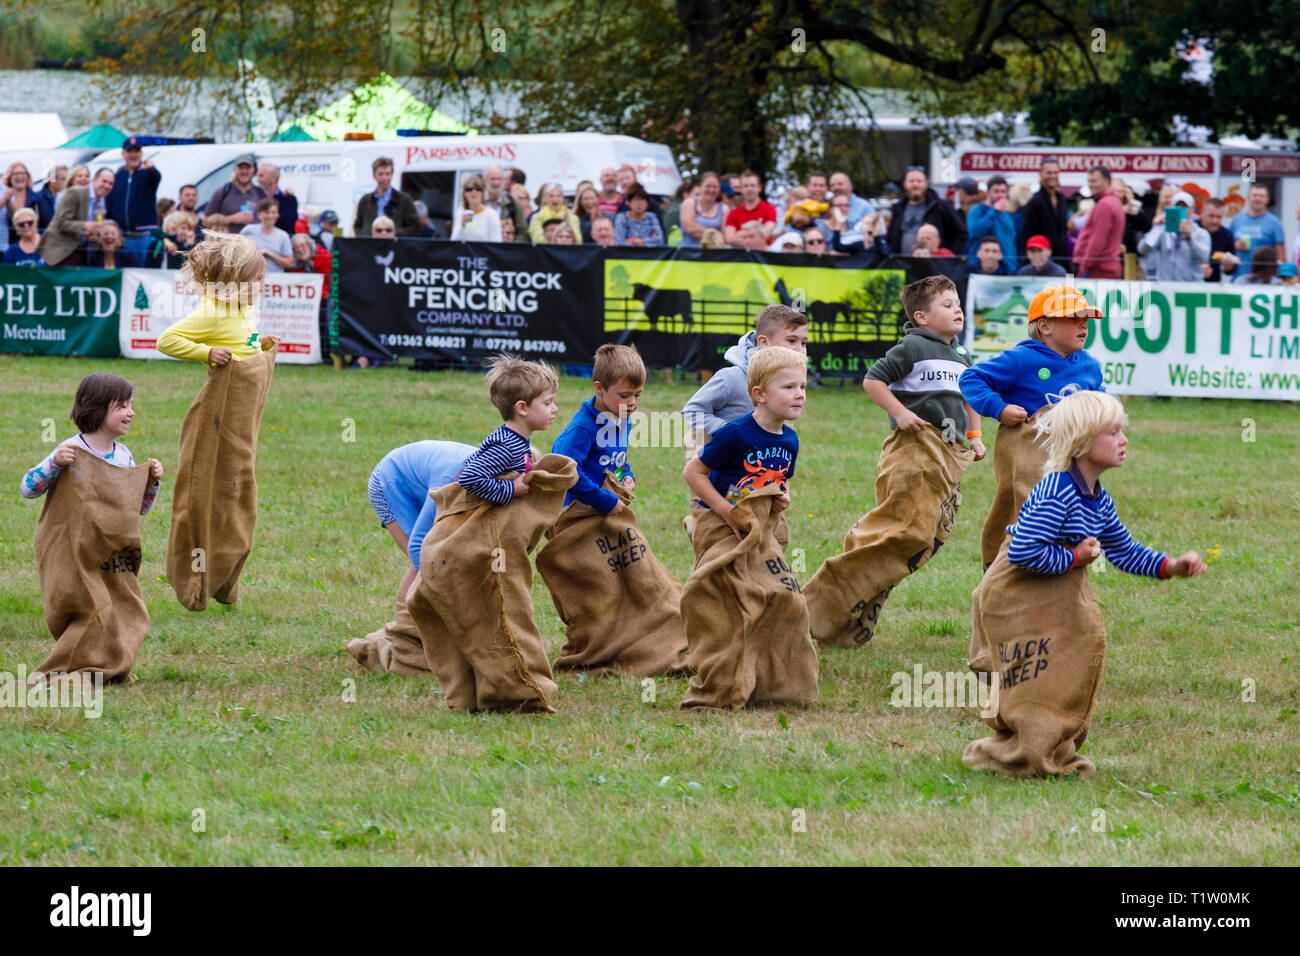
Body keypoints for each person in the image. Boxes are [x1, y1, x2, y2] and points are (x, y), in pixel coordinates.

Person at [963, 390, 1206, 778]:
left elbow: (1123, 550)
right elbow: (1025, 551)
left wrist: (1171, 566)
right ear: (1081, 442)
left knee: (1063, 671)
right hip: (1016, 592)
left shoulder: (1097, 498)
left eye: (1122, 431)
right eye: (1113, 433)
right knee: (1034, 680)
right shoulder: (1056, 492)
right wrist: (1074, 558)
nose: (1124, 440)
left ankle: (1046, 747)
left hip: (1051, 592)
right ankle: (1017, 752)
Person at [801, 275, 985, 646]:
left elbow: (971, 397)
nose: (957, 309)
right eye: (946, 305)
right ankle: (819, 599)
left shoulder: (963, 356)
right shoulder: (913, 347)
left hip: (948, 453)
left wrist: (975, 435)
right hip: (914, 447)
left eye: (958, 303)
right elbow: (873, 380)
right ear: (921, 317)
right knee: (906, 530)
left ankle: (848, 613)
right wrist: (900, 413)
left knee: (922, 537)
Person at [960, 284, 1104, 569]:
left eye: (1085, 319)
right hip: (1025, 458)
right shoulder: (1020, 359)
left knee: (1070, 513)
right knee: (1021, 508)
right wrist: (999, 408)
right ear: (1044, 326)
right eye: (1073, 318)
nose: (1083, 325)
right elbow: (971, 379)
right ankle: (1004, 566)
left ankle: (1061, 564)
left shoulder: (1090, 366)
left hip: (1071, 458)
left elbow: (1100, 403)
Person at [683, 344, 805, 543]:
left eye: (802, 386)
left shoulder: (790, 439)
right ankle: (695, 524)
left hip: (762, 521)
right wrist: (726, 511)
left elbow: (782, 478)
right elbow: (692, 472)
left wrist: (784, 497)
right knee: (716, 573)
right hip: (721, 522)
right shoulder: (735, 433)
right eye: (789, 387)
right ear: (760, 394)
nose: (800, 394)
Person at [681, 304, 808, 463]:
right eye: (791, 340)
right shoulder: (731, 378)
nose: (800, 349)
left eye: (804, 343)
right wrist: (729, 431)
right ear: (763, 342)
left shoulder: (788, 381)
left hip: (752, 465)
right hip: (716, 465)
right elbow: (692, 410)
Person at [22, 372, 162, 513]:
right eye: (123, 406)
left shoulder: (123, 457)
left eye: (131, 406)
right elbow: (28, 490)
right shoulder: (71, 451)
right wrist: (55, 464)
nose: (132, 413)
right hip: (72, 533)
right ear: (98, 407)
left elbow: (139, 508)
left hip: (110, 534)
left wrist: (151, 481)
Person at [365, 440, 477, 612]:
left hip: (419, 482)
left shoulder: (491, 469)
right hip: (386, 482)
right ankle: (403, 629)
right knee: (424, 561)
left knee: (445, 561)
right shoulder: (449, 483)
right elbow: (417, 546)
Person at [551, 343, 644, 520]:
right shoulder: (584, 428)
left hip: (601, 509)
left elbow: (618, 457)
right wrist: (603, 500)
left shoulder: (623, 417)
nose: (632, 402)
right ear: (599, 388)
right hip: (573, 513)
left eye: (637, 394)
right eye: (625, 395)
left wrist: (627, 475)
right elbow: (567, 471)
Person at [457, 355, 558, 506]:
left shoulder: (517, 440)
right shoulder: (506, 446)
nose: (555, 409)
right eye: (547, 403)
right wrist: (512, 489)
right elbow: (470, 478)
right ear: (522, 408)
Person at [157, 232, 266, 364]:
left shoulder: (243, 306)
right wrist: (208, 353)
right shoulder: (213, 312)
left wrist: (259, 342)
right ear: (237, 280)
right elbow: (165, 341)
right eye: (258, 279)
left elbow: (240, 338)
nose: (262, 288)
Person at [37, 167, 115, 267]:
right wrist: (84, 225)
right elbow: (60, 223)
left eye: (110, 184)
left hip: (81, 253)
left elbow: (94, 226)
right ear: (94, 179)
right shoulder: (75, 193)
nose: (107, 186)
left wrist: (92, 234)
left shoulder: (102, 201)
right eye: (104, 181)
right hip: (60, 253)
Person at [886, 166, 967, 257]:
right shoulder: (898, 208)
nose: (915, 184)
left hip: (933, 267)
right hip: (901, 265)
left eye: (919, 181)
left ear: (927, 183)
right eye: (911, 181)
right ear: (904, 184)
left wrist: (948, 259)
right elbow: (890, 238)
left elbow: (961, 233)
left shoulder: (940, 206)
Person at [1137, 190, 1210, 282]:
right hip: (1167, 288)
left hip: (1191, 289)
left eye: (1184, 207)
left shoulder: (1200, 233)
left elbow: (1203, 258)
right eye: (1177, 206)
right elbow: (1143, 249)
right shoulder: (1162, 230)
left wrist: (1189, 238)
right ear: (1171, 207)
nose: (1180, 210)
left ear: (1192, 209)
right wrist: (1157, 228)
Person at [1072, 165, 1125, 279]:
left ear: (1106, 181)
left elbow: (1097, 241)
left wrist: (1084, 267)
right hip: (1106, 268)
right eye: (1089, 181)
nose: (1090, 185)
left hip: (1099, 270)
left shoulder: (1104, 205)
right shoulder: (1113, 201)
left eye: (1094, 181)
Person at [353, 156, 420, 237]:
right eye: (380, 174)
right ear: (374, 176)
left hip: (395, 247)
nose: (384, 178)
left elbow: (415, 227)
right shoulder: (365, 200)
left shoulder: (404, 200)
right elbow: (357, 226)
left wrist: (393, 233)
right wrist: (368, 235)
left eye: (387, 174)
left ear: (392, 175)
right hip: (370, 246)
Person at [1018, 158, 1068, 262]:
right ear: (1040, 174)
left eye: (1055, 172)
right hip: (1042, 262)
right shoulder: (1034, 202)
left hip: (1063, 259)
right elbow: (1026, 236)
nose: (1053, 176)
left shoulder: (1062, 199)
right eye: (1049, 173)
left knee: (1070, 278)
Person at [966, 175, 1019, 272]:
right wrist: (993, 211)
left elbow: (1010, 241)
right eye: (996, 191)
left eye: (1003, 192)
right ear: (988, 192)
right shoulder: (977, 210)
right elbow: (975, 232)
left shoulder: (1006, 214)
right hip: (981, 268)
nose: (1000, 195)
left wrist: (1013, 264)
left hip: (1005, 268)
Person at [202, 153, 267, 229]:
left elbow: (272, 222)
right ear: (234, 169)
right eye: (241, 168)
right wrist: (232, 219)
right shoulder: (223, 192)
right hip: (228, 240)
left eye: (247, 168)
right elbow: (205, 222)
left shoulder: (262, 194)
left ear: (254, 169)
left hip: (254, 240)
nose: (244, 172)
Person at [1228, 184, 1286, 265]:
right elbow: (1226, 248)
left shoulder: (1275, 222)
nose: (1258, 199)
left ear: (1267, 200)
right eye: (1255, 195)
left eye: (1261, 196)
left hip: (1264, 275)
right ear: (1248, 198)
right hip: (1239, 275)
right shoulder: (1237, 220)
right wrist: (1235, 246)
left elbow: (1281, 258)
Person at [722, 169, 777, 247]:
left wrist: (740, 234)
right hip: (740, 256)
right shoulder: (733, 213)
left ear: (759, 187)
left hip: (762, 257)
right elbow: (729, 238)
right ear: (741, 189)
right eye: (746, 186)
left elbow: (766, 235)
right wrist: (756, 235)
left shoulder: (770, 209)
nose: (749, 189)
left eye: (752, 185)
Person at [240, 198, 294, 272]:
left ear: (278, 214)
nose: (270, 216)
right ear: (259, 214)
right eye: (267, 212)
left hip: (275, 281)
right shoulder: (248, 230)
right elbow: (238, 255)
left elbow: (289, 263)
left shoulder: (283, 236)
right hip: (251, 278)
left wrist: (270, 254)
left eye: (273, 212)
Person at [678, 171, 726, 249]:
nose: (711, 190)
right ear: (701, 187)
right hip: (688, 253)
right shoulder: (689, 203)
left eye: (715, 187)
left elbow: (725, 236)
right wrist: (714, 233)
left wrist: (700, 232)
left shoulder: (724, 208)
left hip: (714, 255)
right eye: (708, 186)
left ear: (719, 189)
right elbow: (689, 228)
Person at [450, 174, 502, 241]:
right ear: (464, 194)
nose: (474, 192)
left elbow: (496, 242)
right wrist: (462, 225)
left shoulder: (491, 215)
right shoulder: (460, 212)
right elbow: (454, 242)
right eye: (469, 189)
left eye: (478, 189)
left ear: (482, 193)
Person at [1199, 197, 1239, 282]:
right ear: (1202, 213)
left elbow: (1232, 269)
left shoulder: (1227, 235)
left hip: (1214, 287)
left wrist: (1228, 267)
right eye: (1211, 216)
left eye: (1219, 217)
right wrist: (1198, 270)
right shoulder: (1191, 230)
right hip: (1187, 284)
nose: (1215, 221)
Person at [3, 162, 43, 244]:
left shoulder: (37, 198)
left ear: (27, 176)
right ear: (9, 177)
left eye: (23, 173)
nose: (20, 176)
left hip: (32, 245)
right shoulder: (3, 197)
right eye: (16, 174)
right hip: (7, 245)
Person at [255, 163, 298, 236]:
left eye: (261, 176)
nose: (258, 179)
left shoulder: (288, 199)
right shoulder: (256, 197)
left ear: (274, 178)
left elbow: (287, 225)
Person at [483, 165, 524, 237]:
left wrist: (512, 247)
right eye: (492, 179)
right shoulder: (477, 202)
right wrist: (473, 223)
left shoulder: (513, 202)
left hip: (505, 248)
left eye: (499, 179)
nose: (496, 182)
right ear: (485, 181)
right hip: (480, 247)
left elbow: (522, 231)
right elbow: (472, 223)